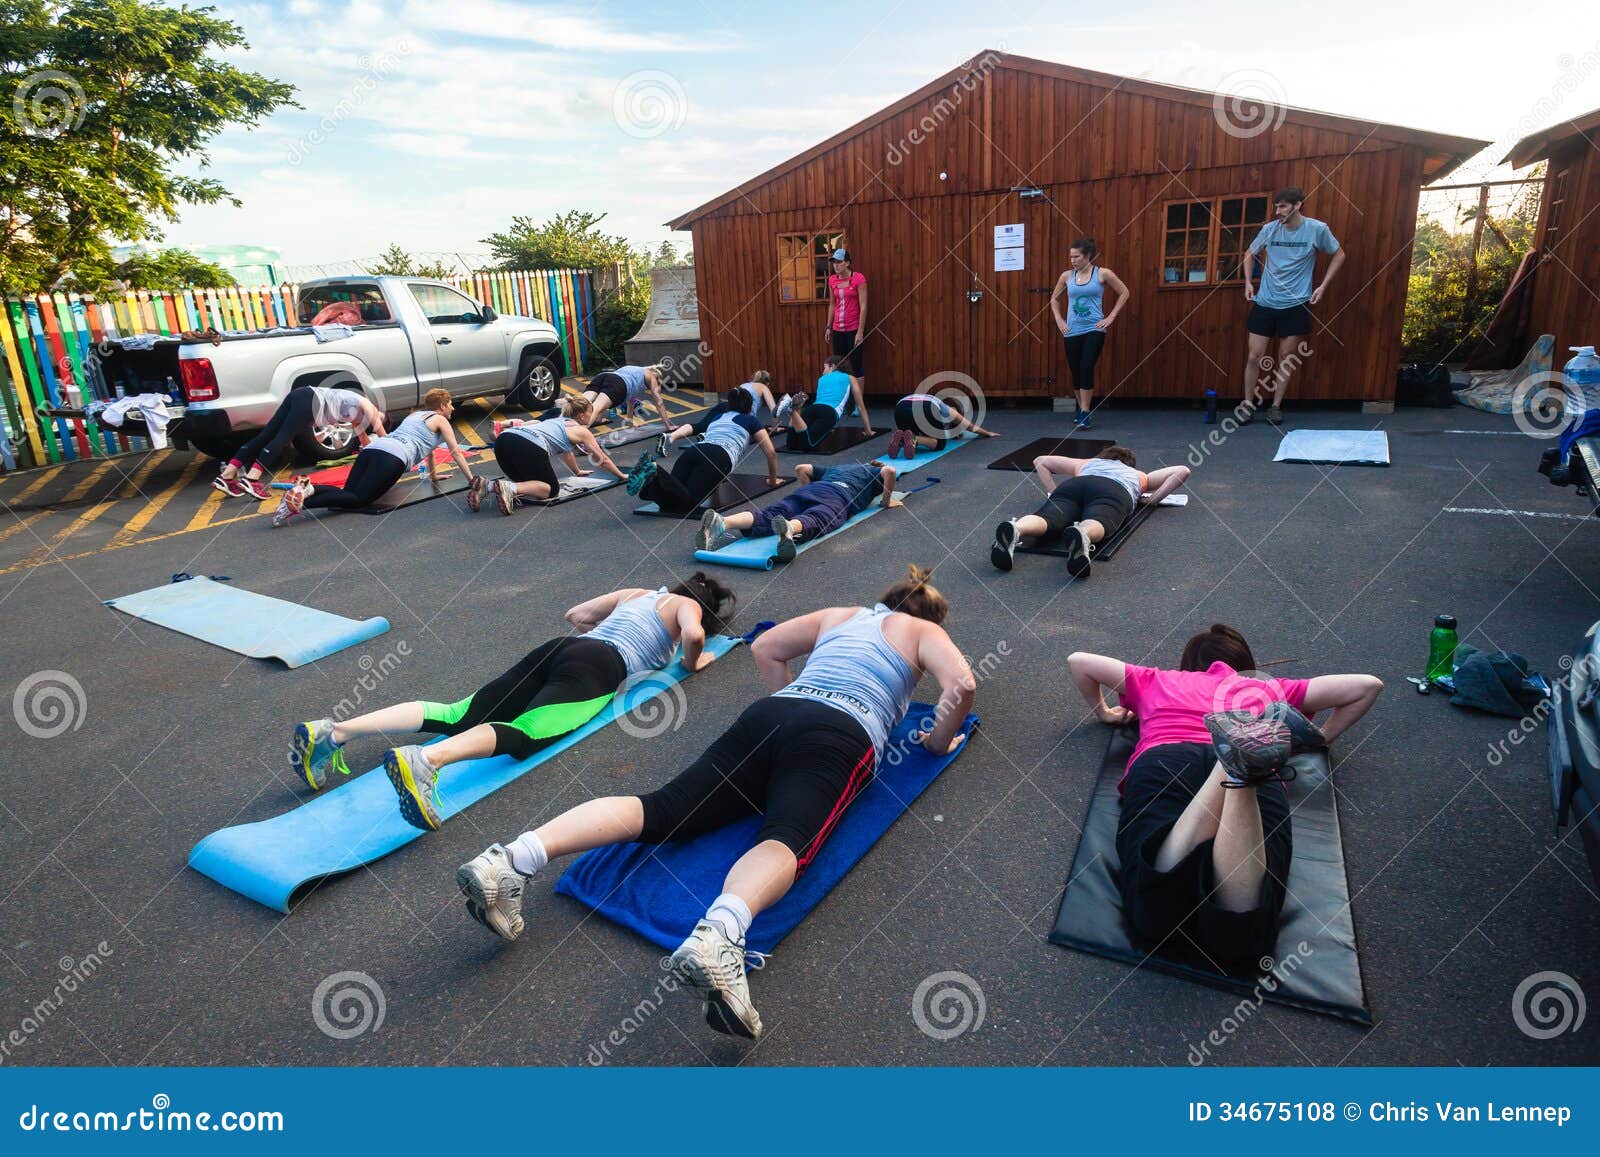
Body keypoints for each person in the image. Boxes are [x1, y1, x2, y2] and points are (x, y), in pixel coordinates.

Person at [454, 566, 977, 1040]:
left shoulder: (841, 615)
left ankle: (513, 859)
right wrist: (934, 742)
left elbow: (766, 648)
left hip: (770, 715)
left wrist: (791, 699)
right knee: (787, 838)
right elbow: (963, 684)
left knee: (663, 809)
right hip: (841, 735)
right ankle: (720, 937)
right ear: (929, 616)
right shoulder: (926, 631)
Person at [288, 575, 739, 827]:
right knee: (526, 734)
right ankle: (426, 762)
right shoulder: (690, 609)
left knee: (457, 713)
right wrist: (691, 662)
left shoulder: (639, 593)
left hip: (558, 647)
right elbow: (695, 633)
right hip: (600, 668)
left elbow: (576, 616)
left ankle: (333, 731)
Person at [1066, 625, 1382, 975]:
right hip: (1255, 764)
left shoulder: (1160, 679)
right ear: (1245, 664)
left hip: (1168, 759)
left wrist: (1105, 712)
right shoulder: (1266, 689)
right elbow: (1367, 686)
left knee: (1153, 916)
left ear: (1188, 664)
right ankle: (1238, 768)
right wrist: (1320, 739)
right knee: (1243, 940)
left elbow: (1079, 661)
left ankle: (1232, 763)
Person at [271, 388, 475, 524]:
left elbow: (428, 449)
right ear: (441, 406)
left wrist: (433, 476)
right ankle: (299, 503)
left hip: (372, 450)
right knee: (359, 499)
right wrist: (472, 480)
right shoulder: (441, 420)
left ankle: (308, 488)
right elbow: (455, 452)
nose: (452, 408)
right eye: (450, 404)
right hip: (392, 457)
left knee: (346, 494)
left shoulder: (414, 416)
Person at [990, 446, 1189, 577]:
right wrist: (1154, 499)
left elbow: (1040, 460)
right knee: (1101, 519)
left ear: (1103, 457)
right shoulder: (1139, 475)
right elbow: (1182, 471)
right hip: (1114, 490)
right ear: (1129, 464)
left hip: (1074, 485)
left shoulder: (1086, 463)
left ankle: (1017, 528)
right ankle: (1083, 534)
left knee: (1049, 519)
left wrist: (1052, 492)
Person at [1240, 187, 1345, 424]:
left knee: (1286, 357)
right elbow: (1249, 253)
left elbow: (1339, 255)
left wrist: (1323, 286)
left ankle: (1275, 406)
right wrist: (1248, 282)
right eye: (1277, 207)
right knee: (1254, 356)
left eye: (1283, 206)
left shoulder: (1317, 229)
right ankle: (1247, 404)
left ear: (1297, 205)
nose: (1278, 212)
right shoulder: (1270, 230)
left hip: (1296, 303)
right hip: (1265, 301)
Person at [697, 459, 899, 561]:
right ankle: (790, 529)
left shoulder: (839, 468)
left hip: (811, 489)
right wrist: (886, 501)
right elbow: (890, 471)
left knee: (766, 515)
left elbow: (801, 468)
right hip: (839, 497)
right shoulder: (871, 472)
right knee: (818, 518)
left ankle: (723, 522)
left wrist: (805, 492)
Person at [214, 385, 386, 499]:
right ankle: (251, 479)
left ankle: (227, 476)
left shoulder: (358, 418)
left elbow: (365, 443)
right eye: (378, 418)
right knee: (282, 438)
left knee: (266, 436)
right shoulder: (368, 407)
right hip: (310, 400)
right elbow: (384, 437)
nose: (373, 421)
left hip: (301, 395)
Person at [627, 388, 781, 515]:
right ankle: (655, 470)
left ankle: (652, 478)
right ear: (749, 407)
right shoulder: (751, 420)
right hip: (718, 457)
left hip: (694, 451)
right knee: (688, 506)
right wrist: (772, 480)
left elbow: (698, 428)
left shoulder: (718, 417)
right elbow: (771, 452)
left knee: (670, 499)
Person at [473, 396, 625, 514]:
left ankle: (489, 486)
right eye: (590, 414)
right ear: (581, 416)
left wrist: (577, 471)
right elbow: (602, 459)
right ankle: (509, 488)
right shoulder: (582, 431)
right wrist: (621, 476)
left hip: (503, 441)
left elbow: (567, 452)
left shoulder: (555, 420)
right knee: (551, 490)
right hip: (527, 445)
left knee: (530, 483)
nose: (593, 418)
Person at [1049, 238, 1130, 430]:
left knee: (1086, 366)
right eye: (1071, 256)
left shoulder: (1102, 273)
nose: (1073, 260)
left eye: (1076, 256)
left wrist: (1110, 317)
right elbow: (1054, 299)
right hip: (1072, 330)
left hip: (1094, 328)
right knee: (1076, 370)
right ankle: (1081, 408)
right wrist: (1060, 320)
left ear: (1087, 256)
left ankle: (1085, 411)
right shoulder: (1066, 276)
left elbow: (1124, 292)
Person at [782, 355, 873, 451]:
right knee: (807, 444)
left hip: (812, 409)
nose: (823, 371)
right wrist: (868, 431)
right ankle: (792, 411)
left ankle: (795, 409)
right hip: (829, 412)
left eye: (824, 367)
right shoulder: (850, 378)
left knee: (791, 444)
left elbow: (821, 400)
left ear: (832, 366)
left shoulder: (821, 379)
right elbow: (860, 406)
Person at [885, 391, 997, 458]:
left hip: (900, 408)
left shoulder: (930, 399)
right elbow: (969, 425)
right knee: (939, 444)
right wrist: (986, 433)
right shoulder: (943, 406)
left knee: (910, 432)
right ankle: (915, 439)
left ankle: (902, 440)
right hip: (925, 407)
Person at [825, 248, 868, 396]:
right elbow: (832, 303)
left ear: (847, 262)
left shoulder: (858, 278)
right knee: (840, 365)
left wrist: (860, 332)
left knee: (856, 365)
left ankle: (858, 402)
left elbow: (863, 306)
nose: (836, 265)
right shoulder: (832, 280)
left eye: (839, 262)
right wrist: (828, 327)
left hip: (853, 329)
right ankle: (843, 399)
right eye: (834, 262)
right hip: (838, 329)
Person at [580, 364, 677, 430]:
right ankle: (580, 436)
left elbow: (631, 402)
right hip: (618, 383)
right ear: (657, 376)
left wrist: (630, 424)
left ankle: (567, 424)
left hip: (602, 376)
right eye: (659, 382)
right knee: (596, 408)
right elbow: (659, 403)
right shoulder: (652, 376)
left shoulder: (635, 371)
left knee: (580, 403)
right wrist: (668, 425)